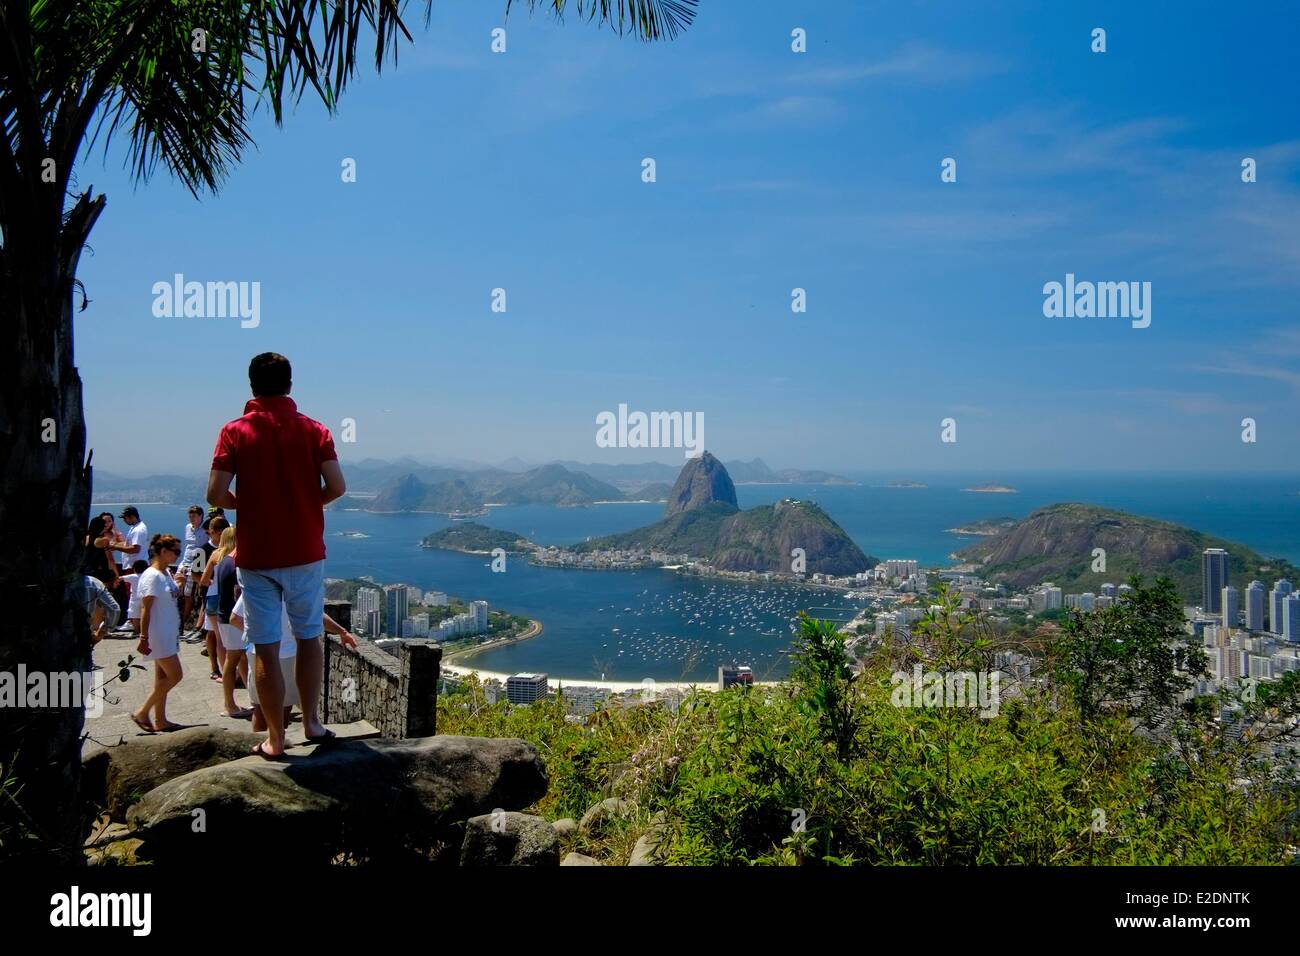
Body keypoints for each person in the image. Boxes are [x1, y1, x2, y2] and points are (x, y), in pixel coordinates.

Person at [207, 353, 346, 759]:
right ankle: (313, 723)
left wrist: (249, 508)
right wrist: (305, 505)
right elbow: (337, 486)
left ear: (251, 386)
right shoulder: (314, 430)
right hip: (305, 552)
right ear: (290, 384)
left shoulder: (234, 431)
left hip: (258, 556)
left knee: (265, 646)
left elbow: (215, 495)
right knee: (308, 637)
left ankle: (274, 737)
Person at [228, 597, 357, 740]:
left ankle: (264, 743)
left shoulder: (256, 584)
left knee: (260, 707)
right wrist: (342, 631)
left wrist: (256, 635)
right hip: (288, 654)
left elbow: (235, 618)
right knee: (283, 708)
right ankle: (279, 741)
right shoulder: (295, 587)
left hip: (259, 652)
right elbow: (316, 616)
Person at [130, 534, 184, 733]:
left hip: (168, 632)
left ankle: (161, 719)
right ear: (163, 551)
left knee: (161, 679)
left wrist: (179, 584)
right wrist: (143, 637)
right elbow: (146, 607)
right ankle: (143, 712)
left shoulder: (166, 573)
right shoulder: (151, 575)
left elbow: (169, 596)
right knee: (176, 675)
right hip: (158, 633)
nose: (178, 555)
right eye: (175, 552)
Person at [196, 515, 231, 675]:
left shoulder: (229, 549)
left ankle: (224, 669)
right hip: (210, 595)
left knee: (219, 635)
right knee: (212, 634)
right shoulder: (202, 550)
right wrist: (209, 582)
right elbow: (195, 574)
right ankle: (214, 667)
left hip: (219, 595)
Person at [178, 505, 207, 626]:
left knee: (189, 594)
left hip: (198, 561)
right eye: (190, 516)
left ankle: (184, 622)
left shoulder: (205, 530)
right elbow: (188, 546)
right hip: (185, 561)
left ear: (201, 516)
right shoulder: (188, 527)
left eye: (194, 516)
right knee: (177, 588)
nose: (191, 519)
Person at [114, 506, 150, 573]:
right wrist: (115, 544)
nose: (124, 520)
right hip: (134, 567)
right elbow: (129, 544)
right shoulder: (135, 527)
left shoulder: (138, 530)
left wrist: (115, 547)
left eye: (125, 518)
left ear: (132, 516)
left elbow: (135, 549)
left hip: (136, 568)